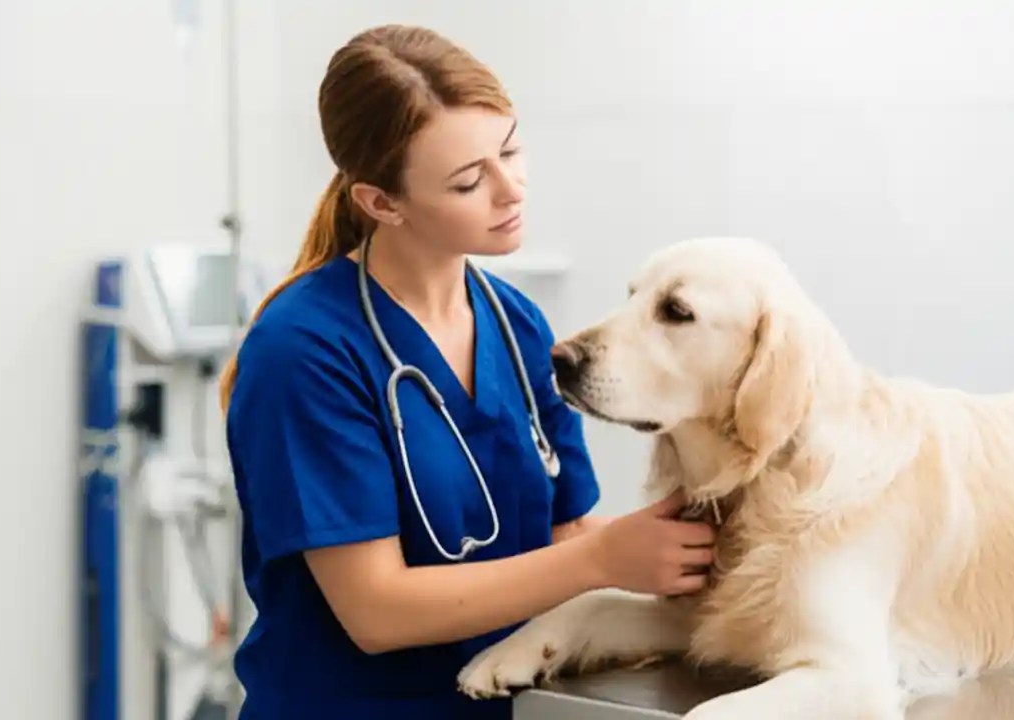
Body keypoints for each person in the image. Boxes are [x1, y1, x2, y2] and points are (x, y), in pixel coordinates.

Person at [218, 24, 716, 719]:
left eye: (510, 148)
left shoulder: (516, 326)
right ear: (382, 203)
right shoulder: (304, 351)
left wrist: (698, 552)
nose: (511, 189)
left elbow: (564, 532)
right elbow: (375, 610)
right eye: (469, 180)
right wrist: (605, 563)